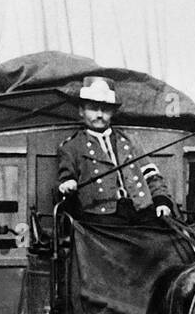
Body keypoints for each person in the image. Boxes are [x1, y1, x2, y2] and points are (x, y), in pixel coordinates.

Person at [56, 76, 174, 221]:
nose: (99, 115)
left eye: (105, 110)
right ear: (81, 111)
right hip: (100, 218)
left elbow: (151, 176)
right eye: (93, 109)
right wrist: (68, 185)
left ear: (113, 112)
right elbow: (66, 180)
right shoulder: (71, 147)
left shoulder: (130, 141)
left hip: (141, 212)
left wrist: (162, 202)